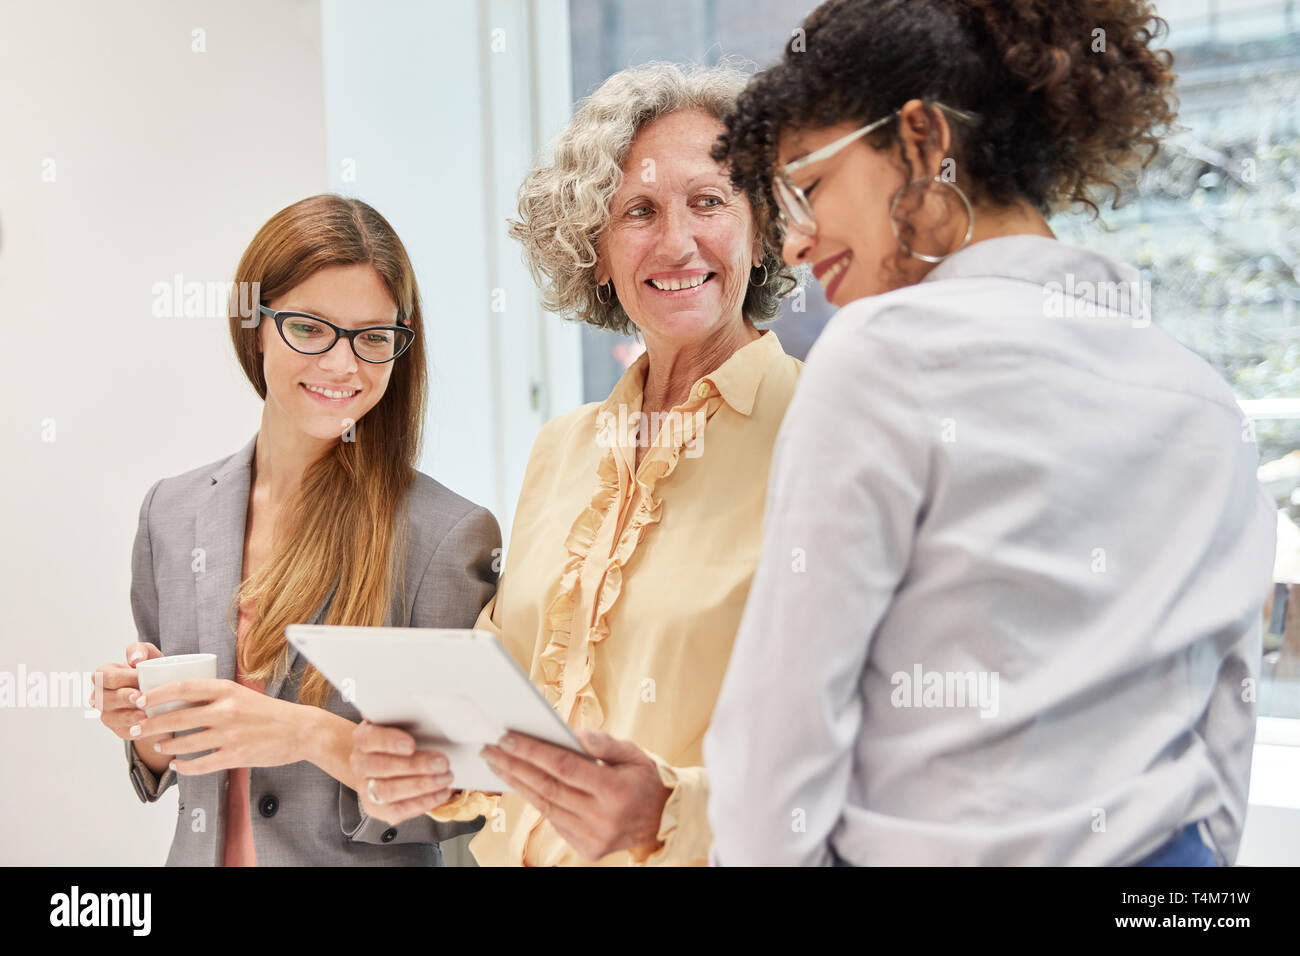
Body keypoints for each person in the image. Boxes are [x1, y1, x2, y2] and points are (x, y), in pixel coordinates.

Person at [703, 0, 1277, 865]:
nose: (796, 242)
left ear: (924, 140)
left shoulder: (880, 354)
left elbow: (780, 733)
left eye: (809, 185)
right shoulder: (1200, 395)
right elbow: (1228, 720)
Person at [350, 62, 801, 865]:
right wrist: (423, 767)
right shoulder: (562, 447)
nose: (677, 242)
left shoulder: (821, 432)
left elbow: (864, 754)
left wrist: (673, 813)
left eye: (709, 201)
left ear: (761, 226)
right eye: (637, 211)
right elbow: (505, 712)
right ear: (593, 250)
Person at [92, 195, 500, 865]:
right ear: (256, 327)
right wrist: (145, 730)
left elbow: (460, 801)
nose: (344, 366)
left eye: (372, 337)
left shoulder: (448, 535)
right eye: (310, 329)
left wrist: (310, 736)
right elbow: (181, 763)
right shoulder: (170, 512)